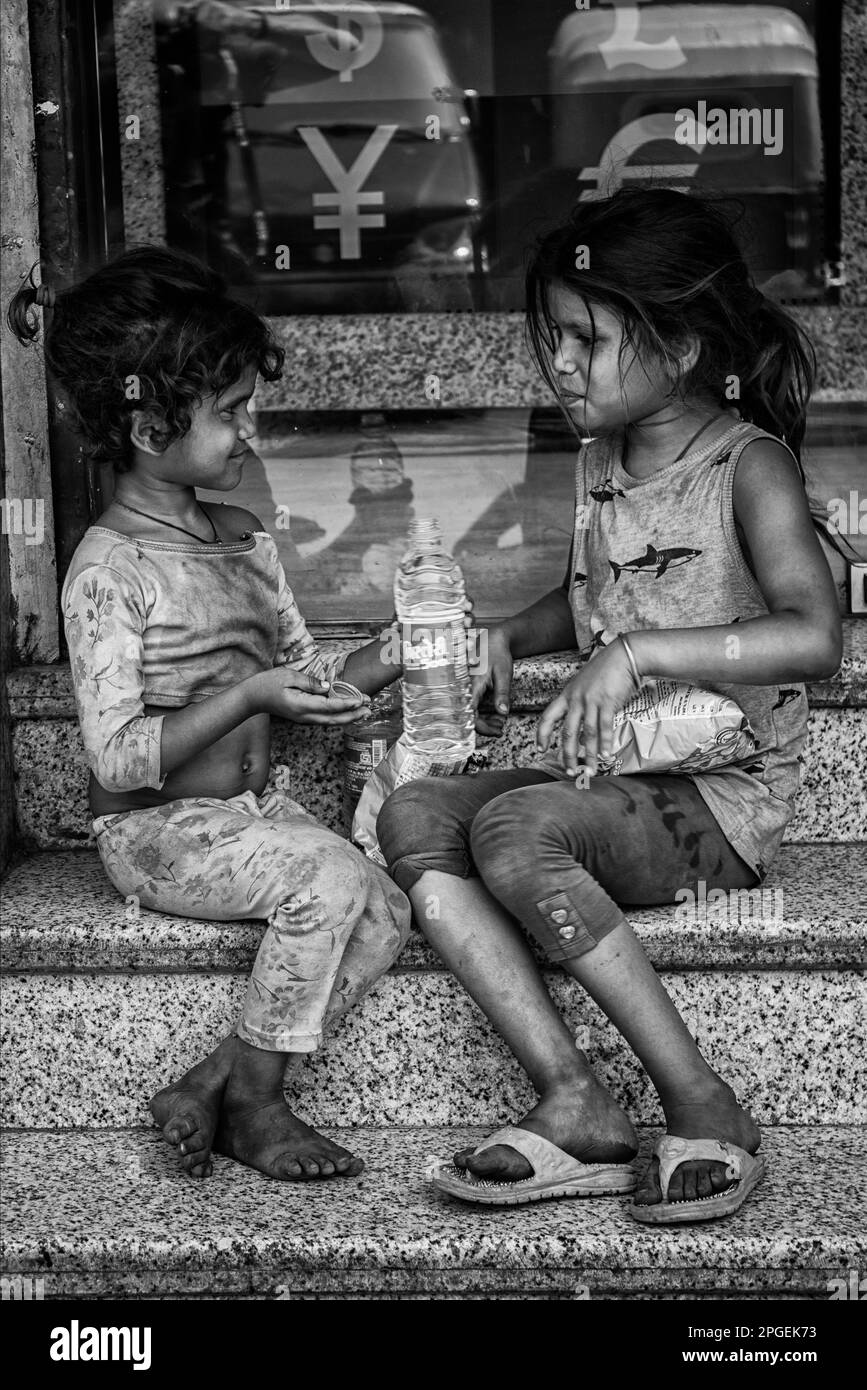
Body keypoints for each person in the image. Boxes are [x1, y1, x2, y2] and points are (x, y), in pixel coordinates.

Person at [377, 187, 842, 1223]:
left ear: (678, 347)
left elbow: (816, 635)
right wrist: (512, 632)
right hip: (615, 778)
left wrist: (633, 657)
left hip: (717, 803)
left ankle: (701, 1099)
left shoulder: (746, 466)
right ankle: (576, 1099)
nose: (562, 365)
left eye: (586, 338)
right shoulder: (596, 464)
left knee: (514, 826)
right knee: (411, 817)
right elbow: (599, 601)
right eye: (554, 339)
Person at [7, 247, 412, 1183]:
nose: (247, 430)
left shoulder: (241, 542)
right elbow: (115, 760)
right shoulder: (109, 569)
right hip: (156, 831)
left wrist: (395, 652)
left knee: (387, 907)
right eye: (227, 411)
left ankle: (207, 1082)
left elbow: (306, 679)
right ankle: (260, 1109)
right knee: (328, 880)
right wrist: (248, 694)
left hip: (253, 820)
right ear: (149, 426)